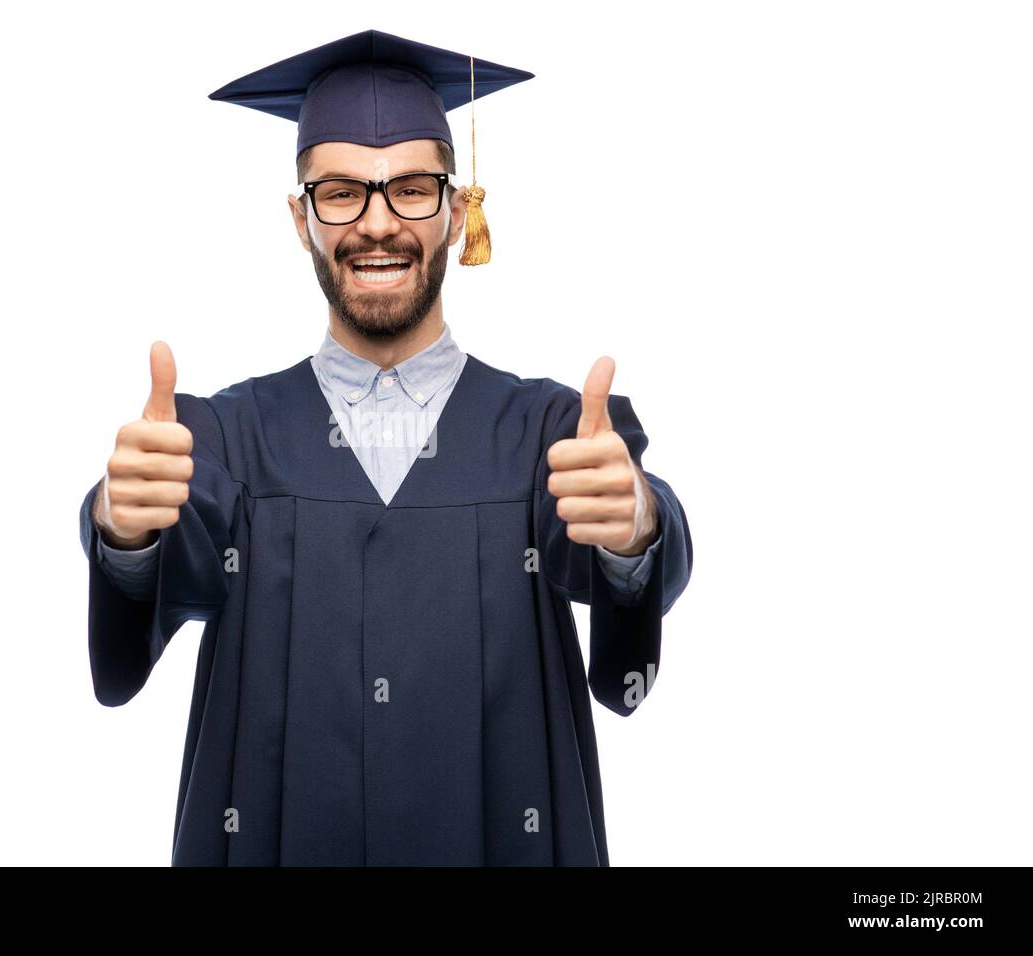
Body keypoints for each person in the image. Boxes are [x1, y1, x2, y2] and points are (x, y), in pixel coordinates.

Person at [77, 29, 693, 866]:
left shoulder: (550, 434)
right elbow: (155, 533)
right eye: (339, 193)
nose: (377, 224)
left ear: (456, 207)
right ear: (301, 218)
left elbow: (628, 530)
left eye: (410, 188)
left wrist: (637, 526)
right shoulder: (223, 439)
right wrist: (122, 524)